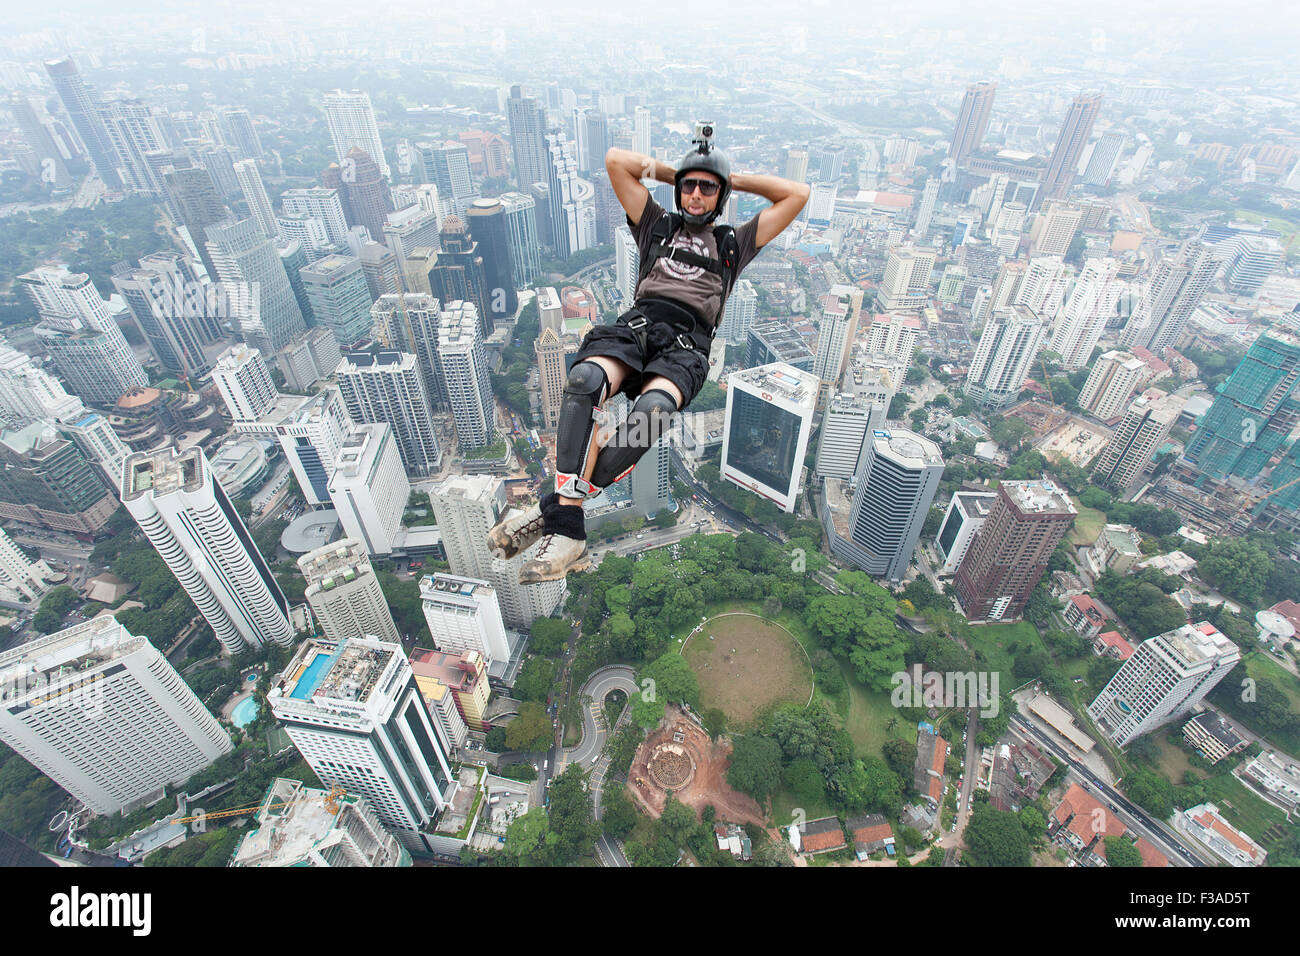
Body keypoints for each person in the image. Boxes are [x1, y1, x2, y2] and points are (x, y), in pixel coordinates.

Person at [488, 129, 810, 581]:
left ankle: (558, 518)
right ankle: (564, 524)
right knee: (584, 382)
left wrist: (727, 175)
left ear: (721, 196)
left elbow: (798, 193)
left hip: (686, 345)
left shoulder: (734, 245)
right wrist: (680, 170)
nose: (696, 194)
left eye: (707, 187)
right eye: (689, 185)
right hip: (637, 328)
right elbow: (616, 160)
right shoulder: (656, 224)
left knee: (652, 414)